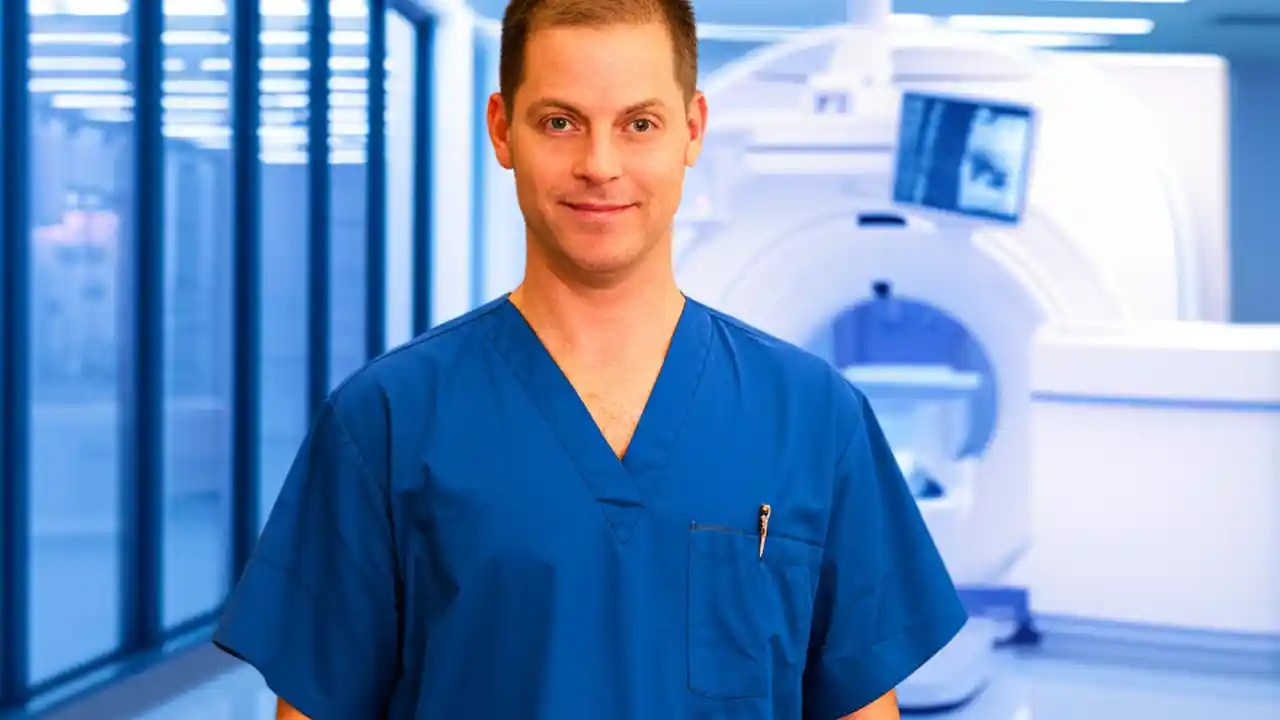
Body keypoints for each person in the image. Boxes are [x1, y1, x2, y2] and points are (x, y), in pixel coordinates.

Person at [211, 1, 968, 718]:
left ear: (692, 129)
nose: (599, 164)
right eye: (561, 121)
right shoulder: (385, 422)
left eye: (639, 123)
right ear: (503, 130)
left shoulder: (814, 420)